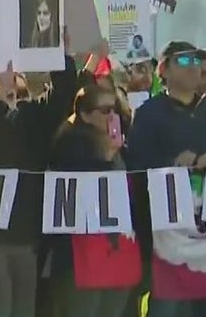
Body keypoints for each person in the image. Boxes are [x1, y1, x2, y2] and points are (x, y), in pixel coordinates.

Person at [0, 44, 80, 317]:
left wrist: (60, 54)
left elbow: (62, 98)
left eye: (12, 77)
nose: (7, 78)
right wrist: (1, 92)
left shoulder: (30, 117)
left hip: (25, 236)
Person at [128, 41, 206, 316]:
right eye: (183, 61)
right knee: (166, 305)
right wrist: (173, 163)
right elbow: (137, 165)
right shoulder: (149, 113)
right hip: (167, 232)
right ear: (163, 70)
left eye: (195, 61)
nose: (192, 68)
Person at [47, 85, 137, 317]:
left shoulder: (120, 147)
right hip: (82, 255)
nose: (112, 116)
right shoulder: (70, 143)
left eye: (115, 110)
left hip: (116, 249)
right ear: (85, 115)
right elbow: (78, 192)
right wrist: (106, 157)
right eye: (105, 110)